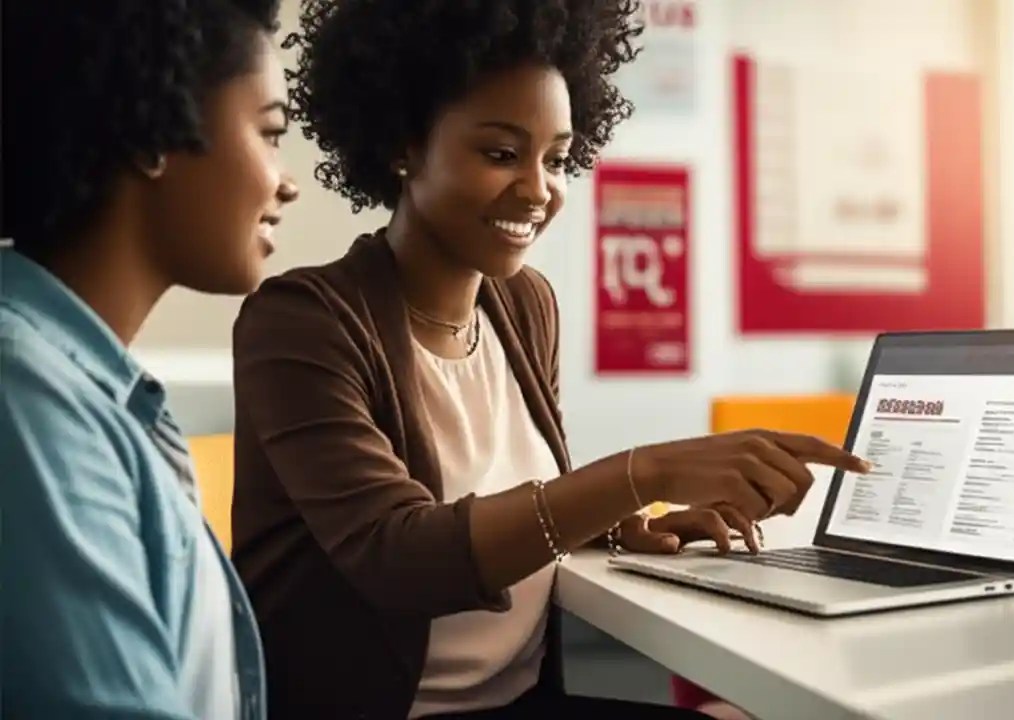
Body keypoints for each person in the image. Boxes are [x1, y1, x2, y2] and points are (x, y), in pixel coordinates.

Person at [229, 1, 869, 718]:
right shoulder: (303, 323)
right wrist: (641, 472)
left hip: (522, 701)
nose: (538, 190)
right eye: (502, 154)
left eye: (557, 159)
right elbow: (399, 555)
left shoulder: (525, 306)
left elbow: (506, 501)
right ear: (402, 144)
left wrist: (629, 522)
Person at [0, 1, 299, 717]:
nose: (286, 182)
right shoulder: (30, 402)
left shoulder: (90, 392)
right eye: (269, 133)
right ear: (153, 133)